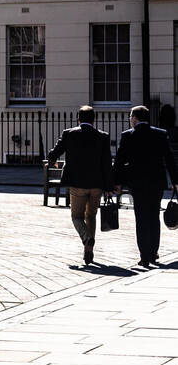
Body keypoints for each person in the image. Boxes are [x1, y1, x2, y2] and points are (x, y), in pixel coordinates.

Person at [113, 105, 178, 268]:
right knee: (154, 217)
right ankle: (154, 252)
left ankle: (144, 255)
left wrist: (117, 182)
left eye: (130, 117)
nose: (130, 120)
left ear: (135, 118)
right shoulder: (160, 134)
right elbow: (169, 159)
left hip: (137, 182)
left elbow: (119, 161)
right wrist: (176, 181)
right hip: (156, 181)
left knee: (141, 218)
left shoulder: (127, 136)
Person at [49, 105, 113, 266]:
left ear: (78, 119)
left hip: (77, 184)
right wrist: (109, 187)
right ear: (94, 119)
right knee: (91, 216)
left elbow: (54, 153)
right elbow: (107, 164)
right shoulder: (103, 137)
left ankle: (87, 239)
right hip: (97, 184)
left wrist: (53, 160)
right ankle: (88, 251)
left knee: (76, 216)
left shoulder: (69, 134)